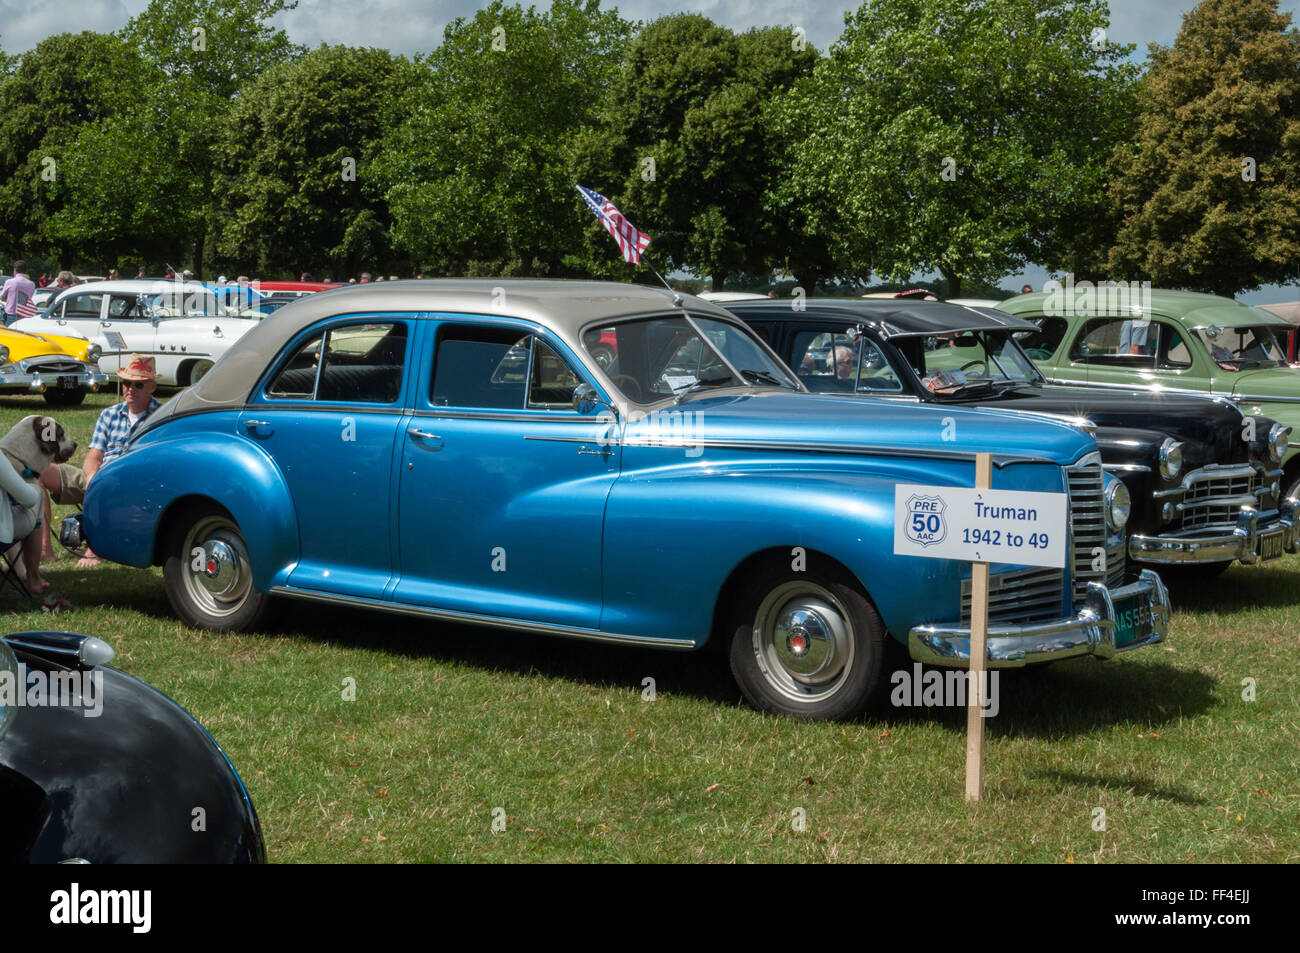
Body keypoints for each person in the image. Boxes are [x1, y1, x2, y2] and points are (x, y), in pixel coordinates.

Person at [40, 355, 163, 569]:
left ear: (152, 387)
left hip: (134, 484)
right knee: (39, 471)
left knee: (108, 480)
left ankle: (94, 549)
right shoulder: (109, 414)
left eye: (138, 384)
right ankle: (44, 551)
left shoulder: (161, 417)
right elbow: (93, 456)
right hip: (98, 479)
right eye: (126, 383)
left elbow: (158, 463)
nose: (130, 389)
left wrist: (110, 473)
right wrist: (90, 476)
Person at [1, 260, 36, 326]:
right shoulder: (32, 284)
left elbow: (3, 298)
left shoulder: (9, 282)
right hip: (25, 316)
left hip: (11, 315)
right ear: (25, 271)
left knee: (9, 335)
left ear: (15, 270)